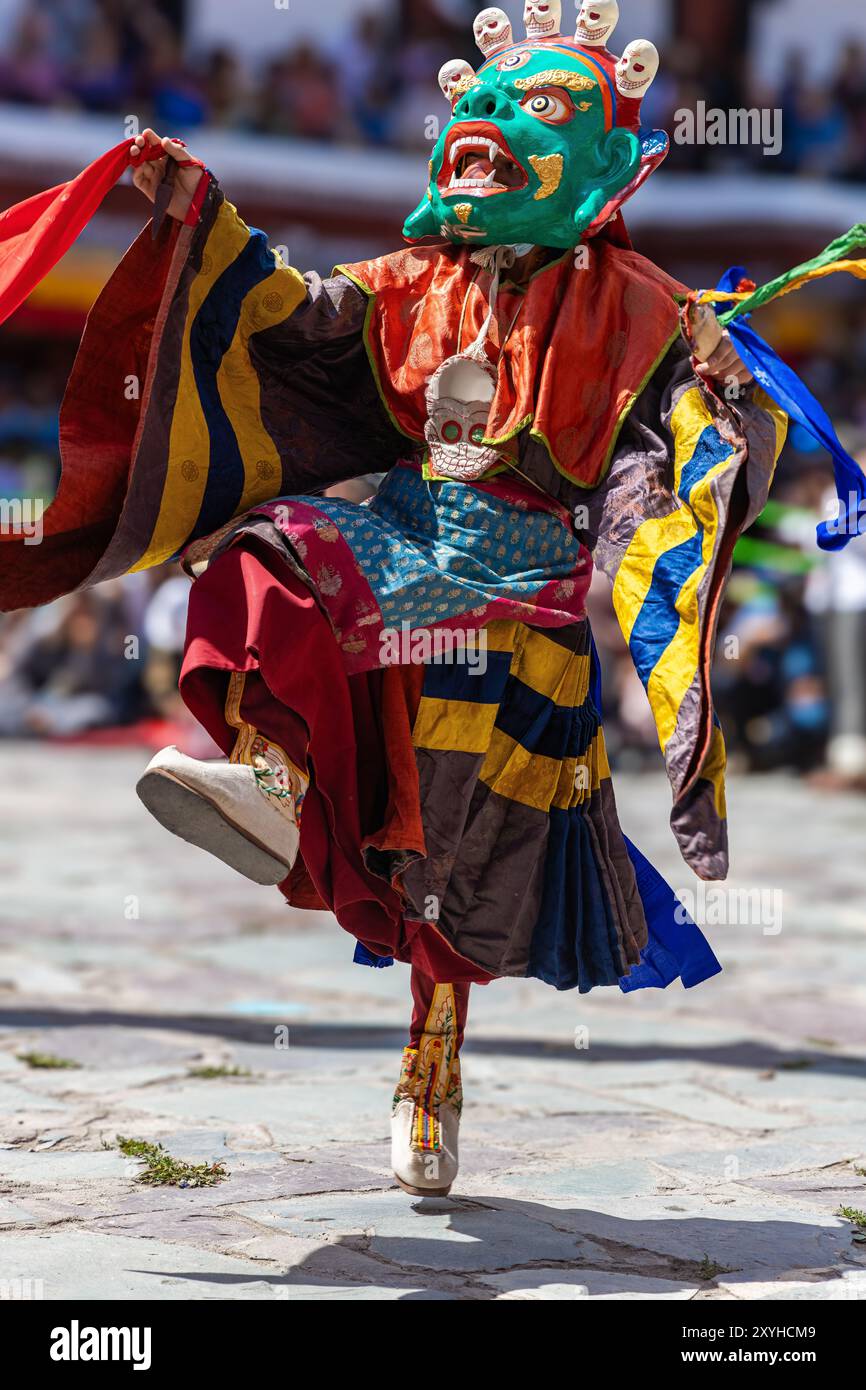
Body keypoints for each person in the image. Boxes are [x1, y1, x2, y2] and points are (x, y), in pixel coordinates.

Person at [1, 8, 788, 1197]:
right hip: (404, 540)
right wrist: (199, 211)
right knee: (266, 549)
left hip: (524, 592)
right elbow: (289, 313)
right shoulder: (410, 280)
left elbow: (684, 460)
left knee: (446, 866)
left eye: (538, 111)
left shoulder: (642, 309)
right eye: (476, 108)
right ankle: (270, 777)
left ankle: (432, 1059)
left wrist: (722, 392)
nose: (484, 123)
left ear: (603, 160)